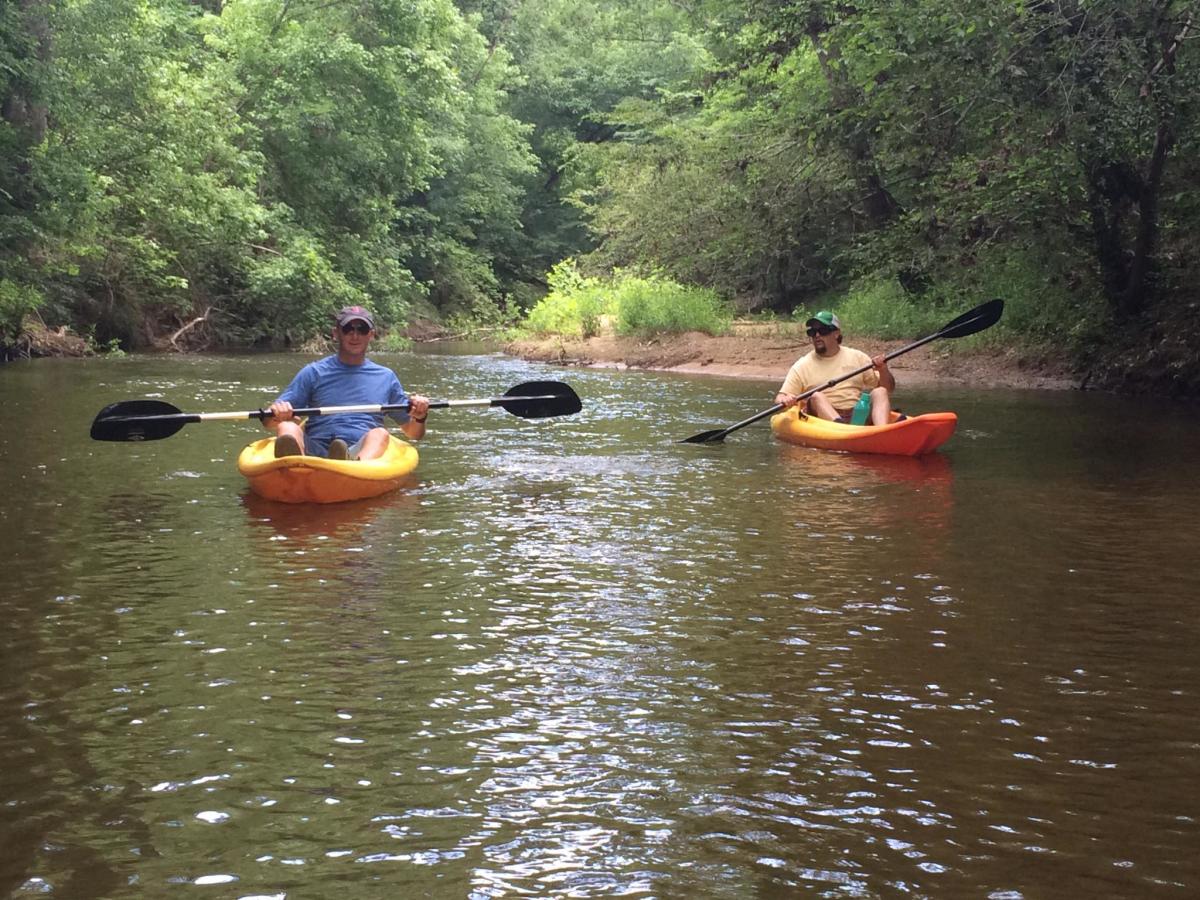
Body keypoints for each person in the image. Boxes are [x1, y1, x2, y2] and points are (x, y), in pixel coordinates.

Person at [264, 305, 431, 459]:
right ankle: (296, 468)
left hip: (361, 449)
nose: (355, 335)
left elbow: (413, 433)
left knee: (380, 433)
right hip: (314, 449)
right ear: (336, 333)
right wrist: (278, 413)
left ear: (371, 335)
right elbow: (268, 421)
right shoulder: (314, 372)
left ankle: (352, 466)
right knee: (286, 428)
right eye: (348, 328)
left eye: (362, 329)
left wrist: (420, 417)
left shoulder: (386, 377)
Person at [774, 310, 896, 425]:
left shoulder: (858, 357)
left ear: (836, 334)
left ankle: (882, 430)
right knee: (817, 396)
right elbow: (780, 397)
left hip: (856, 413)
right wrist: (785, 399)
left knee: (880, 392)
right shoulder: (802, 365)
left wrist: (883, 369)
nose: (817, 335)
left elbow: (888, 388)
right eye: (812, 332)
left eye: (823, 330)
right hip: (823, 419)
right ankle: (840, 426)